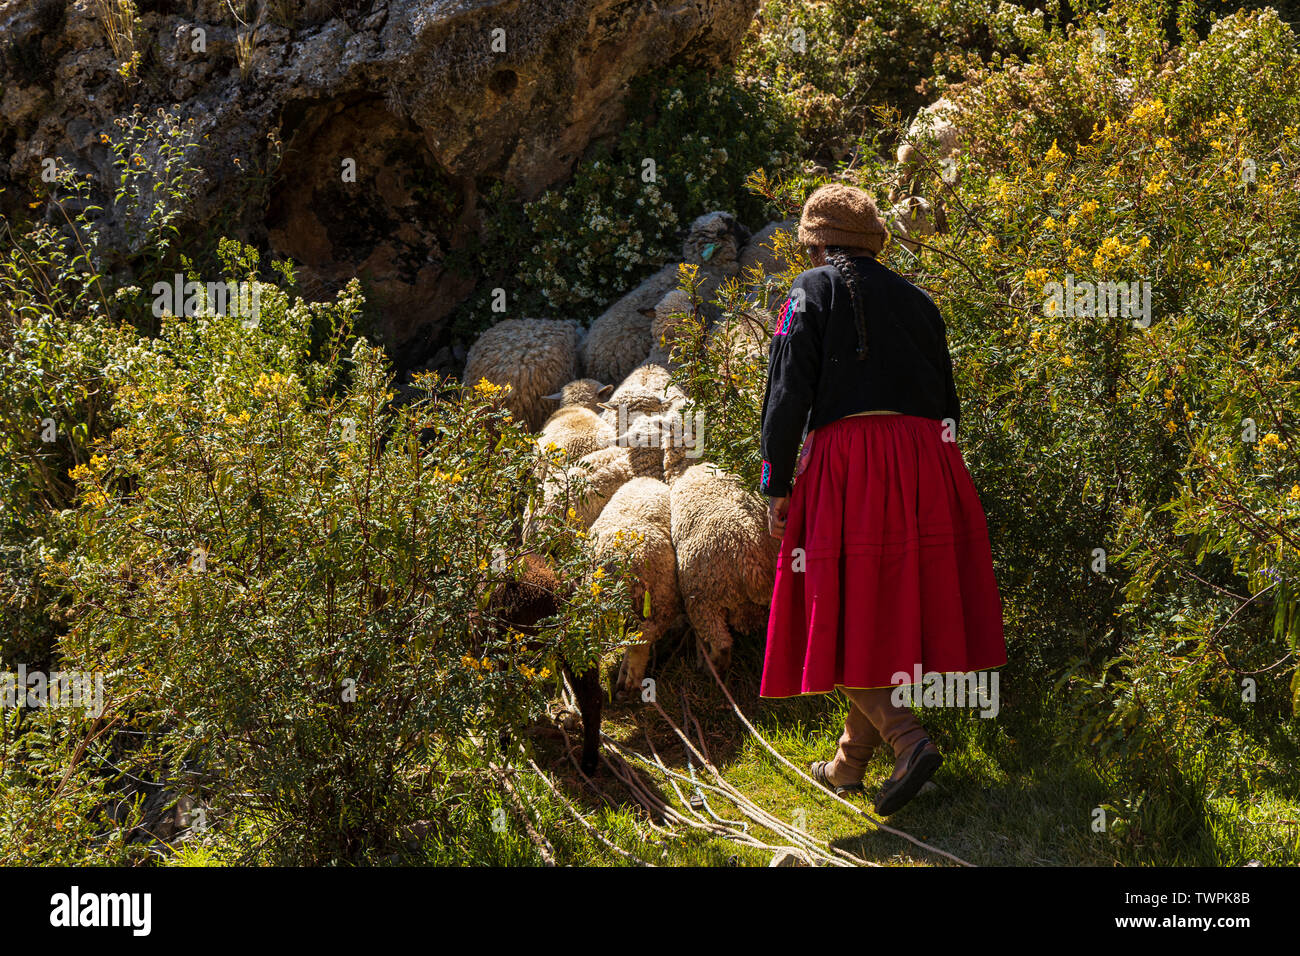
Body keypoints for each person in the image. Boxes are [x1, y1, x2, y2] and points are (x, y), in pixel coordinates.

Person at [758, 183, 1006, 816]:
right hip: (928, 460)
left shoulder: (809, 293)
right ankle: (848, 762)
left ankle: (907, 737)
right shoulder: (919, 299)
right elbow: (948, 401)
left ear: (816, 244)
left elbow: (788, 392)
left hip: (853, 463)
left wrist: (776, 482)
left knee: (838, 608)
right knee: (878, 612)